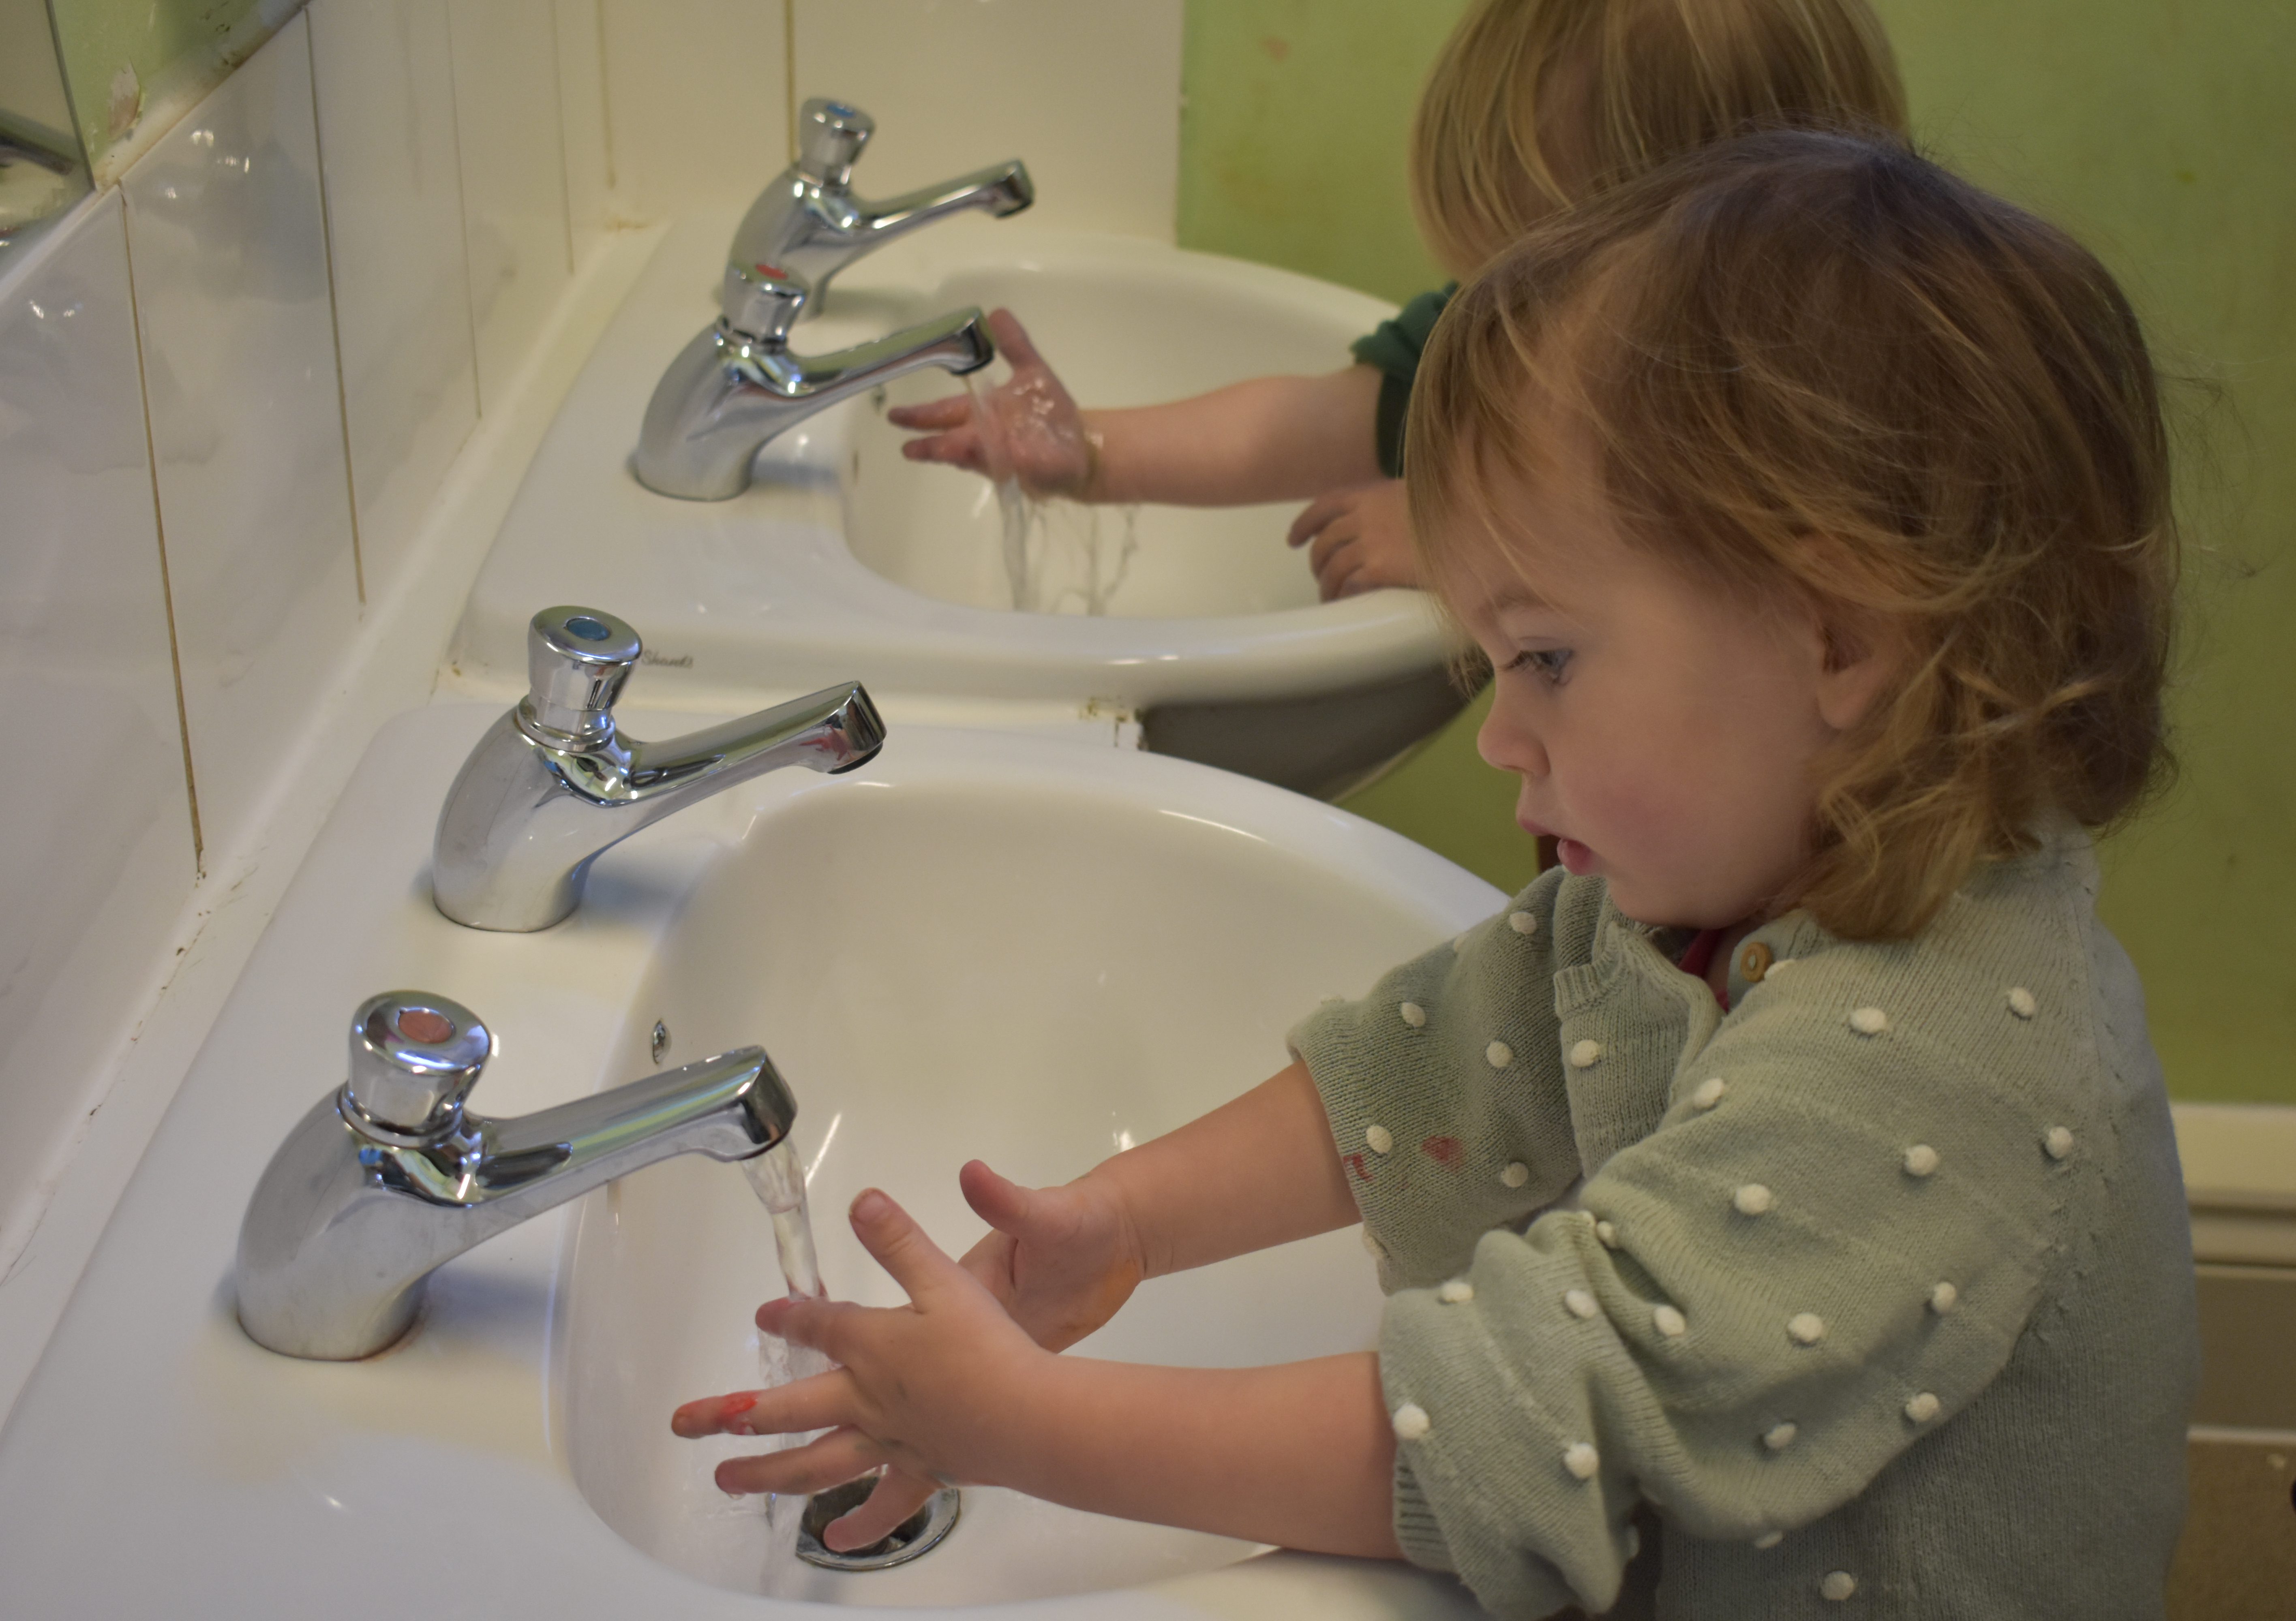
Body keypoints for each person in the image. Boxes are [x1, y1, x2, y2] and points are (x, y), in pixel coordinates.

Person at [673, 130, 2200, 1619]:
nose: (1502, 740)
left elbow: (1536, 1436)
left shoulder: (1940, 1065)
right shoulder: (1730, 891)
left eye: (1545, 658)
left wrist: (1031, 1430)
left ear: (1838, 639)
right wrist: (1129, 1220)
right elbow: (1465, 1052)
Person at [885, 0, 1907, 602]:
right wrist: (1093, 451)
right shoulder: (1518, 344)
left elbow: (1706, 607)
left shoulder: (1851, 431)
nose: (1503, 327)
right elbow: (1311, 421)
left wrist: (1470, 541)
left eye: (1545, 286)